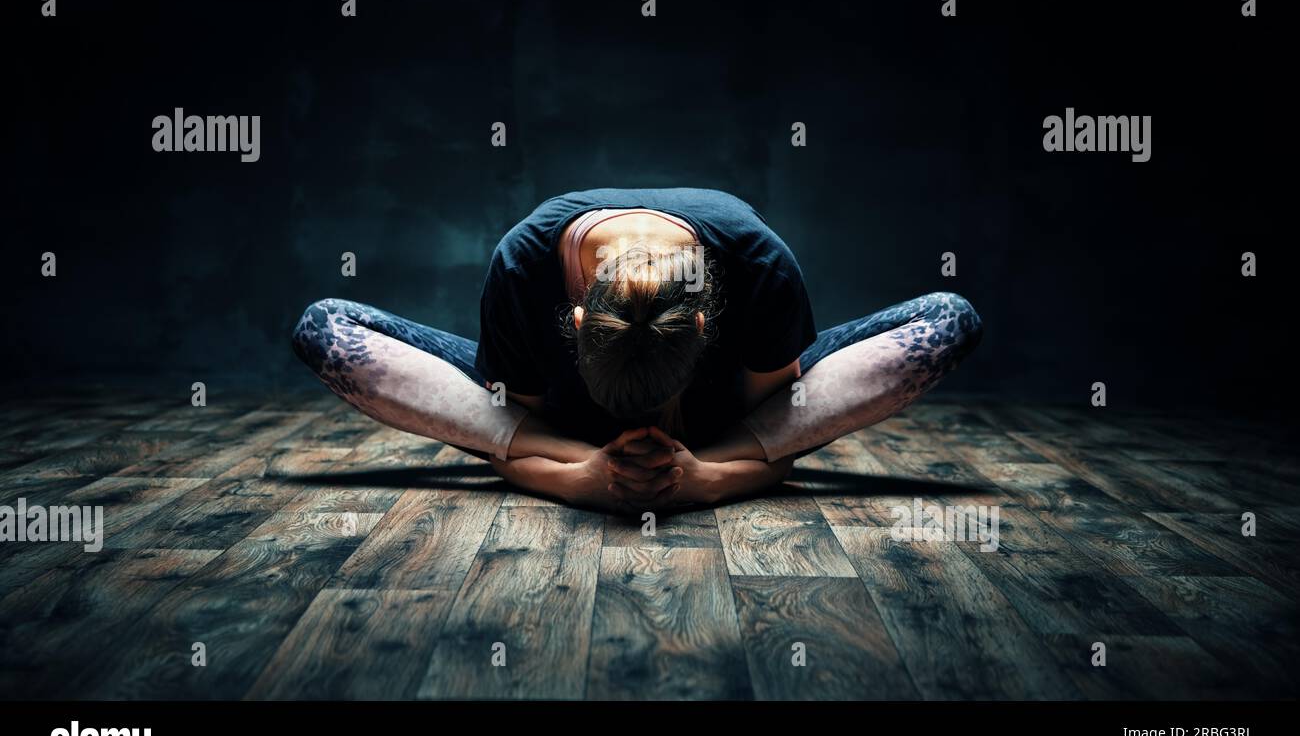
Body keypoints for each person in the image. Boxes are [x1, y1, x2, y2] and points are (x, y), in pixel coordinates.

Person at [292, 188, 982, 513]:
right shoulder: (522, 266)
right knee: (326, 328)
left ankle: (696, 456)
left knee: (948, 320)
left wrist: (703, 474)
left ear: (707, 327)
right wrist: (582, 472)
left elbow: (778, 424)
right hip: (564, 423)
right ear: (577, 314)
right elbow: (522, 425)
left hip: (724, 423)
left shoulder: (760, 263)